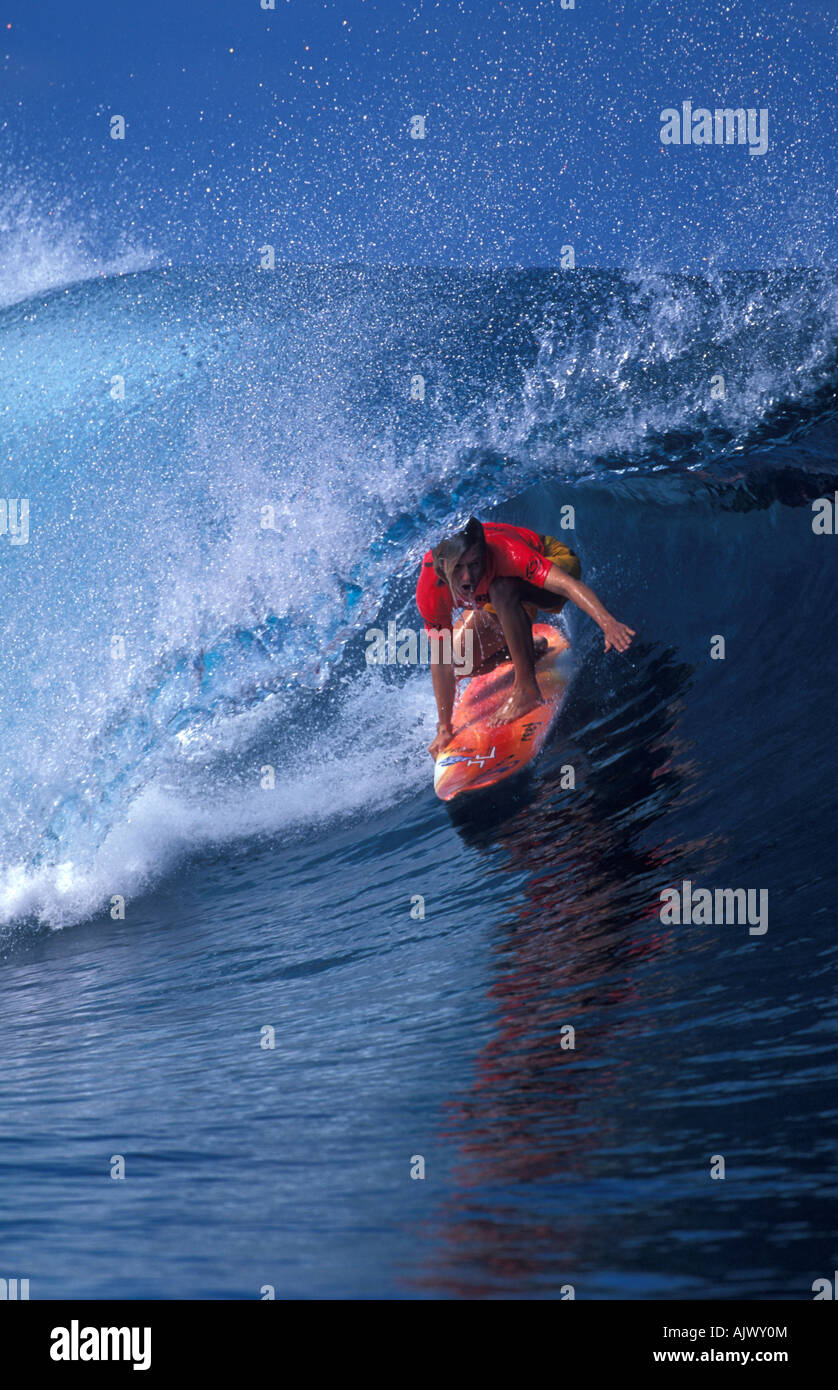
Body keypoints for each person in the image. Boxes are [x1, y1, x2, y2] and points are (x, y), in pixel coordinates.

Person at [416, 517, 636, 760]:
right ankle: (523, 648)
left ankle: (526, 689)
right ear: (442, 566)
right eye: (458, 568)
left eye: (475, 564)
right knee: (459, 661)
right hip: (498, 597)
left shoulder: (505, 552)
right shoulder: (430, 590)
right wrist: (444, 728)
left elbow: (567, 585)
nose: (467, 577)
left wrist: (608, 623)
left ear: (484, 555)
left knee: (502, 588)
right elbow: (441, 660)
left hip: (554, 563)